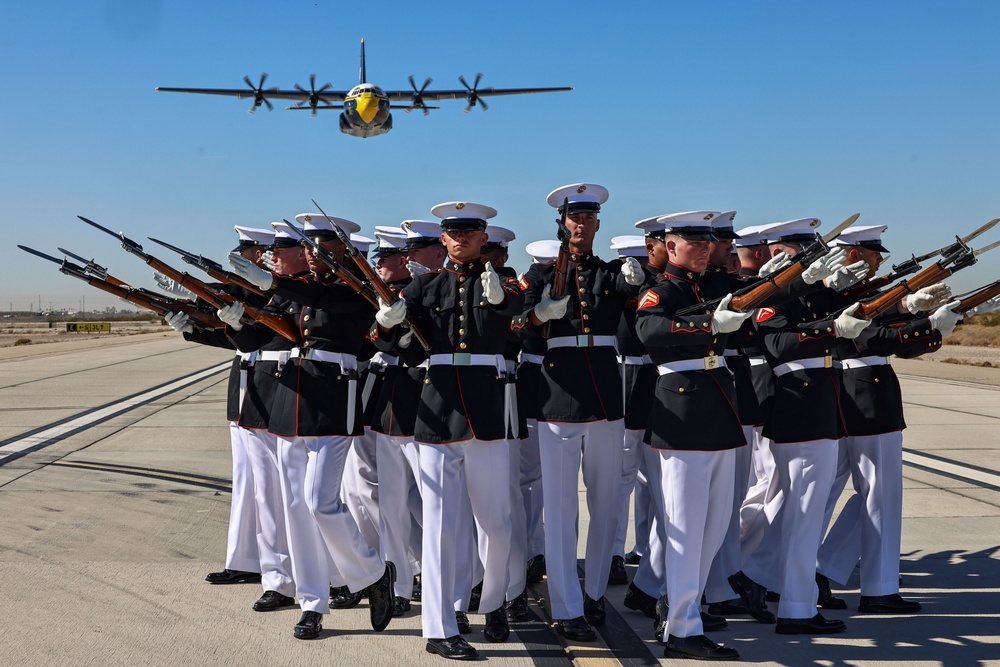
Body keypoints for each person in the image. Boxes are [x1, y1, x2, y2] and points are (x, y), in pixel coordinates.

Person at [225, 216, 394, 640]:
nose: (313, 253)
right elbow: (255, 341)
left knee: (320, 502)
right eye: (309, 247)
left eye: (320, 246)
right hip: (290, 405)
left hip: (333, 402)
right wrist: (233, 318)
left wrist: (271, 282)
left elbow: (324, 299)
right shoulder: (295, 294)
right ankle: (312, 603)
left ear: (341, 250)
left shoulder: (354, 290)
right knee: (297, 509)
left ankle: (373, 572)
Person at [376, 201, 524, 661]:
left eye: (470, 233)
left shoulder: (504, 282)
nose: (461, 240)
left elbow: (521, 312)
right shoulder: (426, 286)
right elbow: (395, 342)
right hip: (437, 411)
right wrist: (386, 325)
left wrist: (501, 299)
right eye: (453, 233)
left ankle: (494, 599)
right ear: (443, 240)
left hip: (486, 412)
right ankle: (439, 626)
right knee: (440, 527)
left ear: (484, 238)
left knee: (495, 524)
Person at [515, 183, 644, 641]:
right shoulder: (541, 275)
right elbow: (517, 320)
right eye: (575, 217)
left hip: (606, 395)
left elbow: (637, 303)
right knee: (561, 505)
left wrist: (639, 280)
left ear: (598, 224)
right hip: (559, 396)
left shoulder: (610, 273)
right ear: (562, 222)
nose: (582, 224)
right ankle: (567, 605)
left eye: (589, 218)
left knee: (607, 504)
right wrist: (537, 313)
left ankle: (592, 595)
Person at [742, 217, 873, 635]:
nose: (813, 262)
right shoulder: (769, 296)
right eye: (803, 253)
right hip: (798, 405)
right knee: (802, 513)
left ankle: (764, 577)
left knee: (803, 512)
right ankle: (796, 608)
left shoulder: (814, 291)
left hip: (821, 405)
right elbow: (778, 344)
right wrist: (831, 325)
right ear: (779, 254)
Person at [816, 224, 954, 614]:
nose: (879, 262)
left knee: (856, 495)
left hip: (854, 389)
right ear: (856, 256)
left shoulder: (856, 295)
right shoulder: (835, 296)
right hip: (865, 391)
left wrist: (925, 319)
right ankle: (873, 587)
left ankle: (820, 569)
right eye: (875, 255)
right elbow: (876, 338)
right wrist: (921, 320)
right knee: (878, 494)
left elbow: (896, 341)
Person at [634, 210, 751, 660]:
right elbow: (650, 330)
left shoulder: (718, 286)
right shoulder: (659, 290)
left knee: (715, 525)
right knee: (685, 527)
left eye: (708, 243)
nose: (703, 250)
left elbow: (765, 299)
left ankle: (684, 610)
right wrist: (706, 325)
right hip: (681, 411)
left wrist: (801, 278)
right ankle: (682, 628)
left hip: (720, 406)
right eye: (693, 242)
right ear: (670, 245)